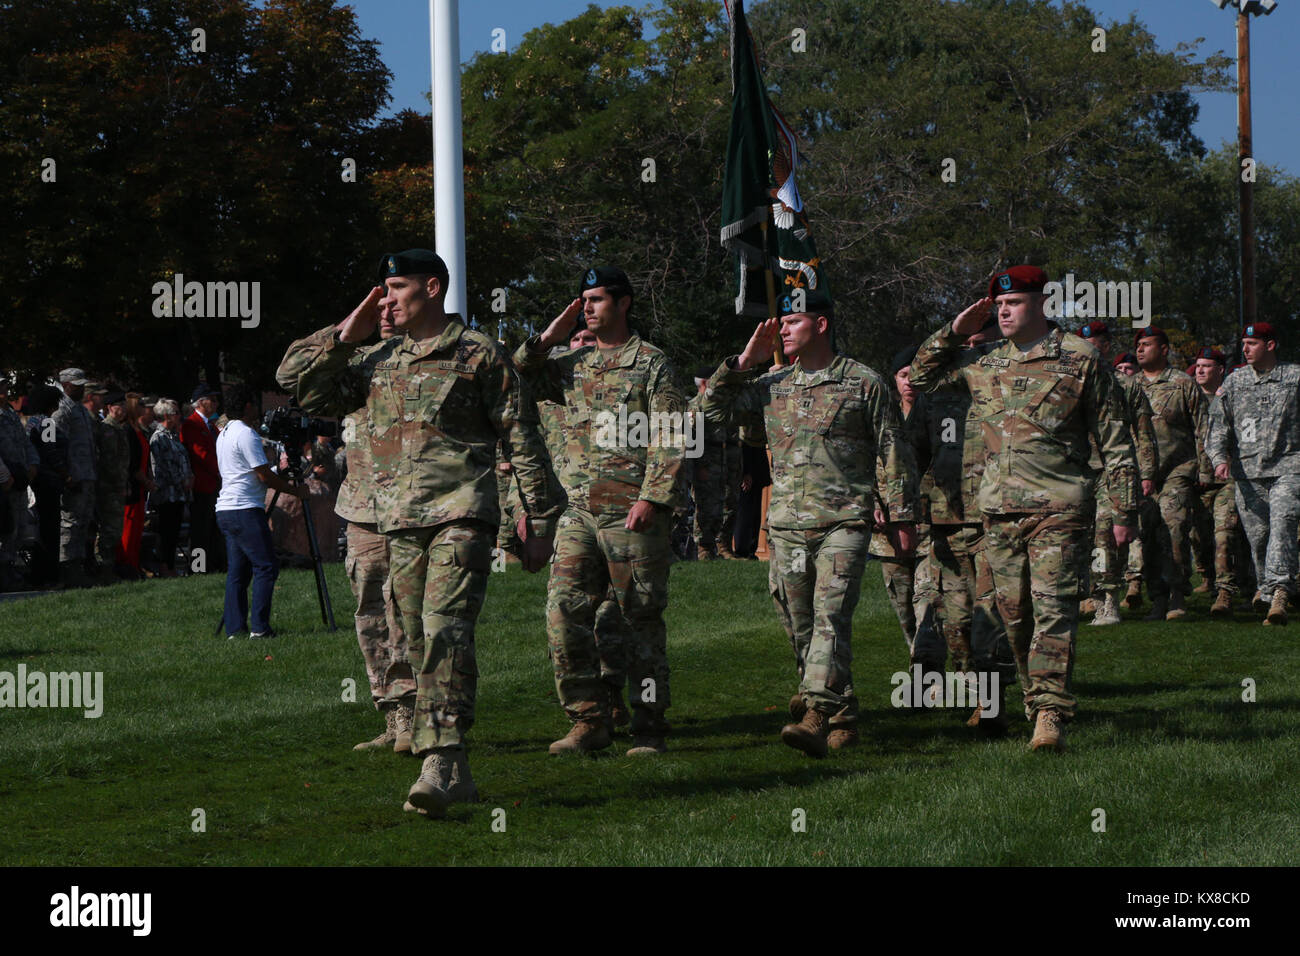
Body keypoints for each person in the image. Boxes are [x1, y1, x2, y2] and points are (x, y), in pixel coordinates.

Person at [278, 248, 564, 816]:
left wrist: (540, 520)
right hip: (400, 523)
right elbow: (297, 383)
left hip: (462, 516)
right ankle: (448, 763)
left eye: (397, 288)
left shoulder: (479, 353)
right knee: (414, 639)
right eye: (383, 289)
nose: (388, 299)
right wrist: (344, 333)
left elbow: (523, 437)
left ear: (432, 288)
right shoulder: (380, 359)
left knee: (444, 632)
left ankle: (443, 759)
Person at [910, 266, 1138, 752]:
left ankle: (1049, 713)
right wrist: (956, 329)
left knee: (1053, 609)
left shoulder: (1080, 359)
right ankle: (1034, 697)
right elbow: (922, 374)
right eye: (998, 305)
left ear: (1042, 302)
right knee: (1012, 618)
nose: (1004, 311)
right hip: (998, 509)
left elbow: (1115, 439)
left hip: (1061, 505)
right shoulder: (983, 361)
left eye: (1013, 302)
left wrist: (1123, 510)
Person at [703, 288, 919, 756]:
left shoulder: (864, 382)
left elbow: (892, 450)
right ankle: (845, 715)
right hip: (785, 528)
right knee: (802, 628)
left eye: (793, 320)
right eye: (781, 321)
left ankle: (816, 715)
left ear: (821, 325)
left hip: (844, 522)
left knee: (830, 618)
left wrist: (900, 516)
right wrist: (743, 362)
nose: (782, 328)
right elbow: (707, 414)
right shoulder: (771, 386)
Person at [514, 265, 684, 756]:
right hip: (577, 513)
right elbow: (516, 372)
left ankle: (649, 724)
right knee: (563, 612)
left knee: (638, 618)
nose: (587, 307)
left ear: (624, 303)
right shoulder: (568, 363)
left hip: (632, 510)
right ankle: (587, 718)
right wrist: (548, 337)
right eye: (583, 299)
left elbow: (673, 434)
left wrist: (654, 496)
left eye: (596, 299)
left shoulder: (653, 363)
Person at [334, 298, 416, 753]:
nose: (385, 312)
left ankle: (418, 714)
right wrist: (347, 329)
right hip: (363, 509)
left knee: (406, 612)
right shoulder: (354, 365)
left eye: (393, 302)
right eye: (377, 305)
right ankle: (391, 714)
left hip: (416, 508)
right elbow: (292, 376)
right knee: (370, 613)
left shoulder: (438, 360)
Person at [1207, 322, 1300, 626]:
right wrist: (1219, 458)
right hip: (1247, 472)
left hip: (1289, 466)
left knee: (1283, 523)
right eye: (1244, 344)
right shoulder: (1235, 382)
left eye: (1252, 343)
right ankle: (1265, 588)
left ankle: (1280, 591)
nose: (1245, 349)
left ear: (1270, 345)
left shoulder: (1295, 377)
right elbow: (1219, 424)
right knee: (1259, 538)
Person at [1074, 322, 1158, 626]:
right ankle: (1088, 594)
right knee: (1079, 536)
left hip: (1114, 471)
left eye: (1093, 344)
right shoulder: (1068, 382)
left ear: (1105, 347)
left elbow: (1145, 434)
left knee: (1108, 535)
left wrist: (1147, 473)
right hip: (1076, 472)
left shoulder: (1126, 384)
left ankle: (1107, 600)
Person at [214, 383, 305, 638]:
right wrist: (296, 491)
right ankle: (260, 629)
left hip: (227, 508)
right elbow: (263, 477)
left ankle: (235, 629)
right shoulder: (246, 434)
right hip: (245, 509)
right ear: (247, 406)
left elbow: (250, 473)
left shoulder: (225, 433)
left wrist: (278, 471)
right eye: (254, 404)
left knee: (237, 572)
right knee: (266, 566)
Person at [1134, 327, 1212, 621]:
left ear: (1164, 349)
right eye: (1138, 345)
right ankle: (1157, 596)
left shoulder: (1182, 382)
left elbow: (1202, 427)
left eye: (1147, 345)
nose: (1141, 350)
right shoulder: (1131, 385)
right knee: (1149, 534)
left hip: (1178, 469)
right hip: (1143, 474)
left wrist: (1204, 467)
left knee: (1175, 527)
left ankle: (1177, 594)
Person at [1190, 347, 1250, 616]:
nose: (1200, 370)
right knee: (1197, 537)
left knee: (1225, 532)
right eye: (1197, 366)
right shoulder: (1187, 396)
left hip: (1228, 478)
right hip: (1195, 478)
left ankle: (1226, 591)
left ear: (1220, 370)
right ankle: (1207, 578)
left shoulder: (1232, 396)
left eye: (1206, 366)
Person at [52, 369, 98, 589]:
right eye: (77, 385)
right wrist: (66, 474)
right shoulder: (61, 410)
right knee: (70, 524)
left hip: (86, 474)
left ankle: (79, 565)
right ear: (65, 385)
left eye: (82, 385)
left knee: (83, 522)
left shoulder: (79, 409)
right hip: (72, 477)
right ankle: (67, 568)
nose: (81, 389)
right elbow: (55, 446)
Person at [182, 384, 224, 573]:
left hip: (213, 484)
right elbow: (201, 454)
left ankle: (213, 563)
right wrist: (221, 470)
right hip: (202, 485)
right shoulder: (191, 424)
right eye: (212, 400)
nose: (216, 404)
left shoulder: (211, 426)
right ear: (201, 403)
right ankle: (198, 566)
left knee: (212, 528)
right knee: (200, 529)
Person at [149, 399, 193, 577]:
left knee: (174, 531)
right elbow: (163, 466)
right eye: (175, 413)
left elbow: (183, 459)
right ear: (166, 415)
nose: (179, 416)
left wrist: (190, 476)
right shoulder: (158, 437)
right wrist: (181, 480)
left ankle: (172, 564)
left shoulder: (173, 436)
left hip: (179, 494)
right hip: (167, 493)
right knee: (166, 531)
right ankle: (164, 566)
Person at [92, 391, 131, 584]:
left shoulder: (119, 428)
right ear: (109, 408)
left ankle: (109, 568)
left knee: (115, 529)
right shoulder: (106, 428)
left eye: (124, 405)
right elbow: (109, 462)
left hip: (118, 486)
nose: (123, 409)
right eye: (119, 406)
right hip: (108, 488)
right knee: (108, 529)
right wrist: (119, 483)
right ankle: (104, 568)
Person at [118, 392, 155, 576]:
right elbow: (131, 463)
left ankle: (133, 564)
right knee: (128, 530)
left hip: (140, 488)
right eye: (140, 404)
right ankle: (127, 567)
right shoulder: (127, 431)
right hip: (132, 487)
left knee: (137, 530)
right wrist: (147, 481)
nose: (143, 407)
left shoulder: (138, 430)